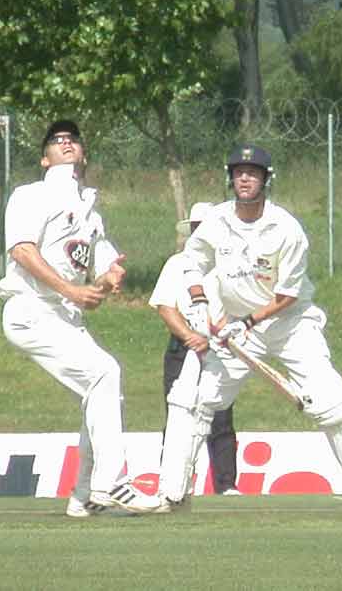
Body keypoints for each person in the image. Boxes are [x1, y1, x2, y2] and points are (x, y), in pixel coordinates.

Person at [163, 144, 342, 511]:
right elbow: (192, 263)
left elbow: (287, 295)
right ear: (230, 178)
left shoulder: (287, 229)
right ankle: (175, 492)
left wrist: (248, 322)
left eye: (253, 172)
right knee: (198, 402)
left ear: (267, 179)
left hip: (289, 325)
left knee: (333, 402)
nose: (245, 178)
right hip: (237, 328)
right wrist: (201, 304)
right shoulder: (216, 222)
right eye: (238, 172)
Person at [0, 119, 160, 518]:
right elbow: (21, 251)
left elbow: (99, 267)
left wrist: (108, 279)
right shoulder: (31, 194)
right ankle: (112, 482)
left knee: (103, 389)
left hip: (64, 316)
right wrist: (71, 291)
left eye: (72, 139)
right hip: (29, 309)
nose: (66, 142)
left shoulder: (89, 209)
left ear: (83, 152)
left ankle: (85, 494)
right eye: (57, 140)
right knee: (105, 372)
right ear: (44, 156)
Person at [149, 202, 240, 504]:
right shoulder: (178, 263)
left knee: (221, 417)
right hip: (184, 346)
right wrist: (191, 337)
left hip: (220, 346)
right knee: (178, 413)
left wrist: (222, 332)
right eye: (198, 228)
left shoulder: (229, 265)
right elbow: (165, 306)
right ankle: (171, 484)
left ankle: (227, 485)